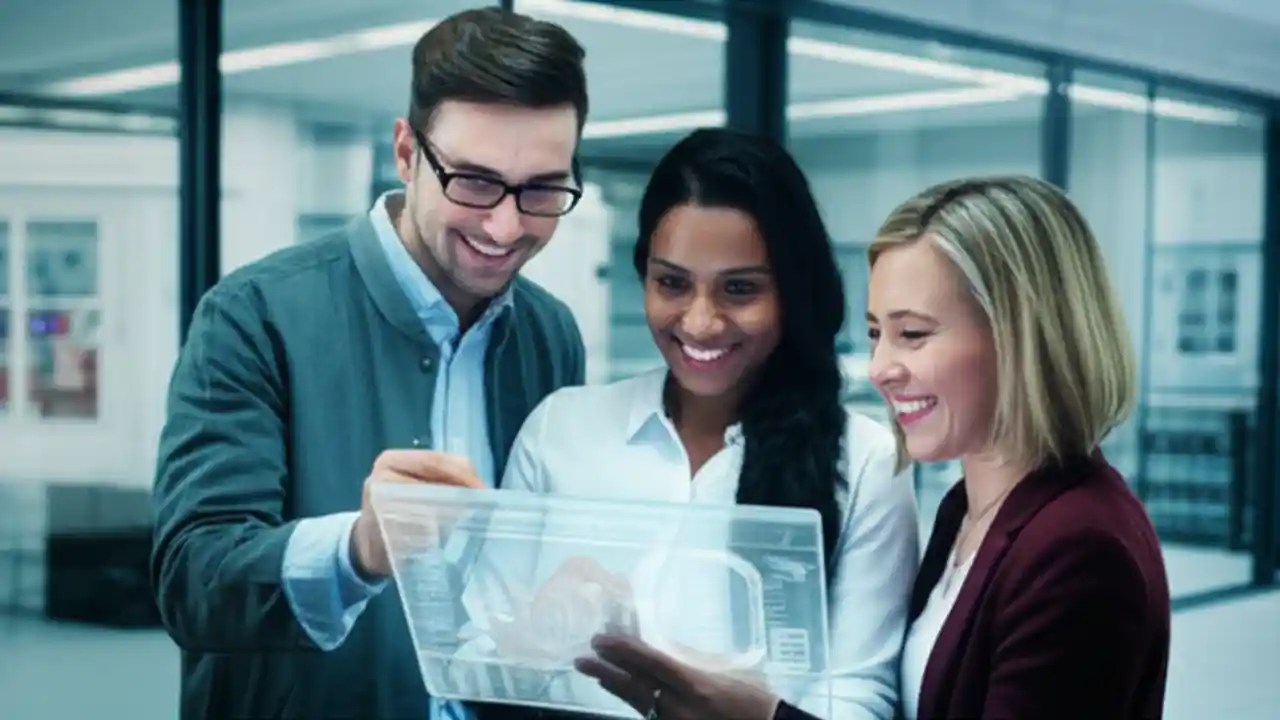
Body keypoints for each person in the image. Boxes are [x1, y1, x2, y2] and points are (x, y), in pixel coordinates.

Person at [150, 8, 590, 719]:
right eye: (473, 181)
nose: (506, 226)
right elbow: (193, 582)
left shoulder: (551, 335)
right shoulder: (254, 314)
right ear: (407, 153)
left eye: (541, 188)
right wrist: (356, 549)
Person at [505, 127, 921, 720]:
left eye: (740, 289)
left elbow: (862, 698)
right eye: (672, 283)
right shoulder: (560, 430)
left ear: (793, 291)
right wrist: (537, 631)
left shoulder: (865, 462)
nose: (700, 323)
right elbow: (479, 652)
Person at [780, 176, 1170, 719]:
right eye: (875, 334)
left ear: (1023, 335)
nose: (879, 370)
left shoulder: (1079, 548)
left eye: (913, 334)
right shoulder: (966, 508)